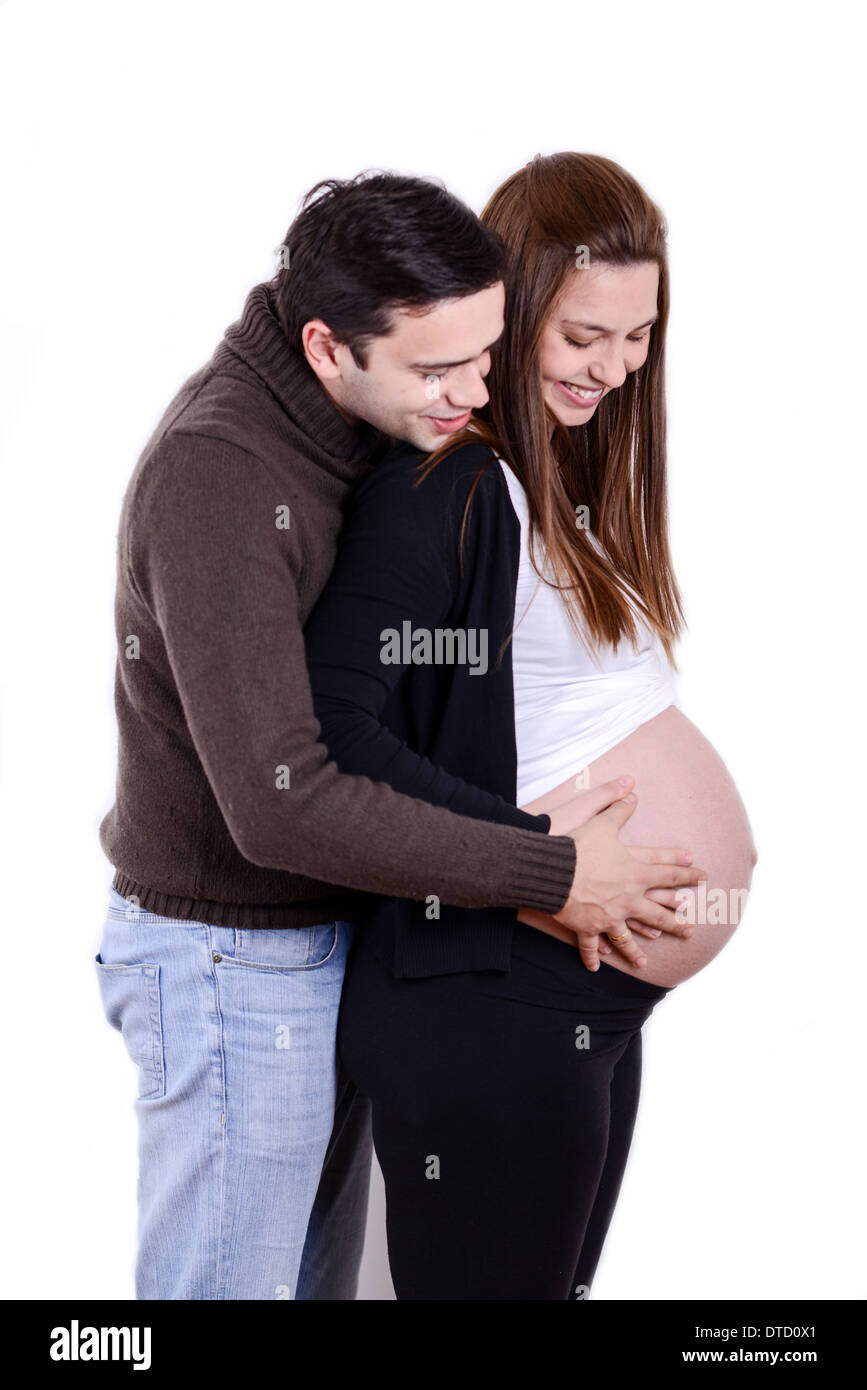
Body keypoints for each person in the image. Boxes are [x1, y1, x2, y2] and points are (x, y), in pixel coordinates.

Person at [95, 170, 704, 1300]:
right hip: (232, 956)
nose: (477, 390)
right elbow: (283, 793)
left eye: (489, 351)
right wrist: (547, 865)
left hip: (327, 935)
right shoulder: (220, 476)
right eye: (442, 369)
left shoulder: (372, 420)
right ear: (329, 348)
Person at [304, 153, 758, 1299]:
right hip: (492, 1001)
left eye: (637, 335)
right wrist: (535, 856)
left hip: (586, 1004)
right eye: (581, 336)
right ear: (510, 311)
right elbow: (330, 735)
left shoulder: (557, 495)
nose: (612, 367)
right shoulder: (445, 490)